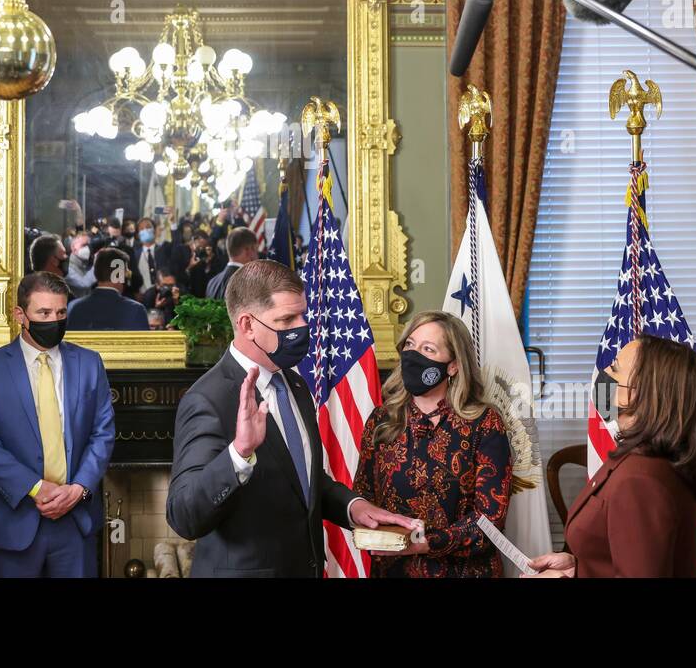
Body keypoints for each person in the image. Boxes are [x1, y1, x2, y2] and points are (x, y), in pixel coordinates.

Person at [167, 260, 419, 577]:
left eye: (302, 315)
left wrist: (354, 507)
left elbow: (302, 481)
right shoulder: (207, 399)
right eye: (286, 319)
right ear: (247, 325)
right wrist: (239, 453)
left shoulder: (294, 383)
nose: (301, 328)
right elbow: (184, 516)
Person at [529, 335, 696, 578]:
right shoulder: (651, 459)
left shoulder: (641, 480)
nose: (604, 372)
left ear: (638, 393)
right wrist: (581, 568)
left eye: (614, 369)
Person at [0, 272, 115, 577]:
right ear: (21, 315)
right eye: (43, 313)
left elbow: (103, 432)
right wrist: (35, 488)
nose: (54, 321)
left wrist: (78, 489)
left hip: (75, 518)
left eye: (61, 313)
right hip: (11, 519)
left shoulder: (90, 363)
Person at [354, 311, 512, 577]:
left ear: (453, 365)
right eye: (410, 345)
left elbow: (490, 522)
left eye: (428, 349)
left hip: (466, 572)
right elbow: (364, 498)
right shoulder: (382, 420)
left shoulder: (485, 423)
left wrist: (422, 545)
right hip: (394, 570)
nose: (414, 355)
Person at [66, 247, 150, 331]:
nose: (127, 276)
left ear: (95, 272)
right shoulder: (136, 310)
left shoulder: (73, 307)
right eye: (126, 272)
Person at [204, 226, 258, 300]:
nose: (256, 255)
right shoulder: (250, 283)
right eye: (255, 249)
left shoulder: (212, 282)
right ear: (248, 250)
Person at [129, 216, 170, 297]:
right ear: (138, 235)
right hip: (142, 299)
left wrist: (173, 224)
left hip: (163, 296)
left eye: (148, 227)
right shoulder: (134, 255)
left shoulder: (164, 250)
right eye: (141, 229)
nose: (145, 230)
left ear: (154, 230)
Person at [64, 231, 96, 299]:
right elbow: (84, 284)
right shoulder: (68, 267)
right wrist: (96, 265)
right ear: (73, 248)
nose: (87, 249)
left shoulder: (85, 264)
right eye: (83, 245)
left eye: (88, 245)